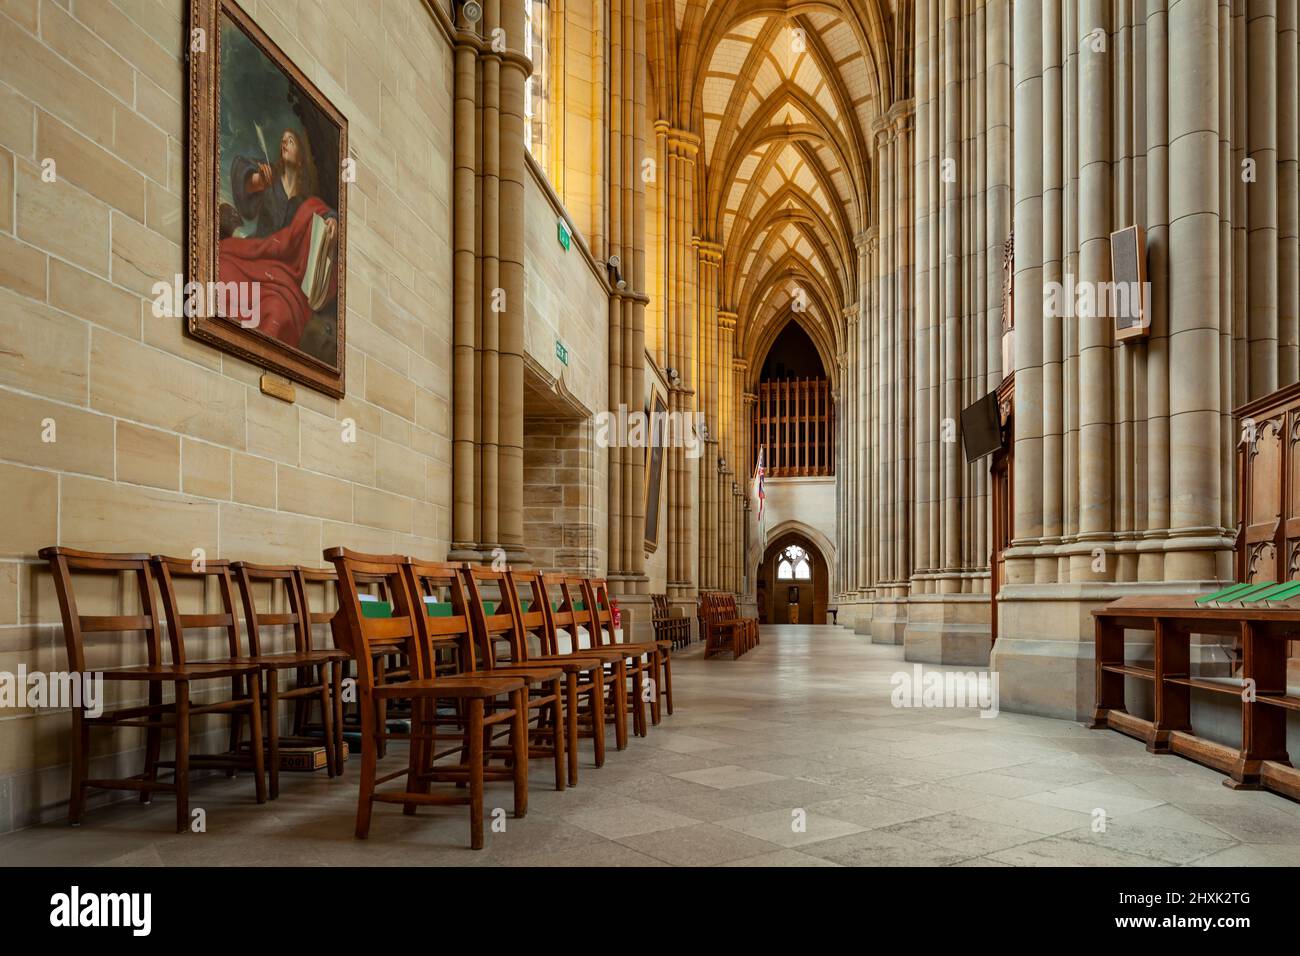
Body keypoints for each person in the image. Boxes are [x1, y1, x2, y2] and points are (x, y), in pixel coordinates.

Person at [218, 127, 338, 349]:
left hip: (284, 277)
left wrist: (332, 221)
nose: (284, 144)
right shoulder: (269, 180)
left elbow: (325, 214)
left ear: (301, 158)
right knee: (222, 269)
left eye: (291, 141)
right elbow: (245, 181)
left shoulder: (305, 203)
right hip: (255, 256)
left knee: (278, 312)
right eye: (282, 141)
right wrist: (258, 182)